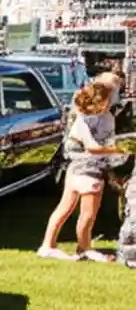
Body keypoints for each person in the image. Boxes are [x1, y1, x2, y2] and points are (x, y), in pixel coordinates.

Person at [39, 81, 125, 260]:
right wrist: (119, 149)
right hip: (85, 168)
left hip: (92, 168)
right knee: (81, 212)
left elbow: (108, 141)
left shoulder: (108, 117)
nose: (110, 103)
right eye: (107, 99)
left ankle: (73, 246)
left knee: (76, 211)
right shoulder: (81, 120)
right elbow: (92, 147)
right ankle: (72, 247)